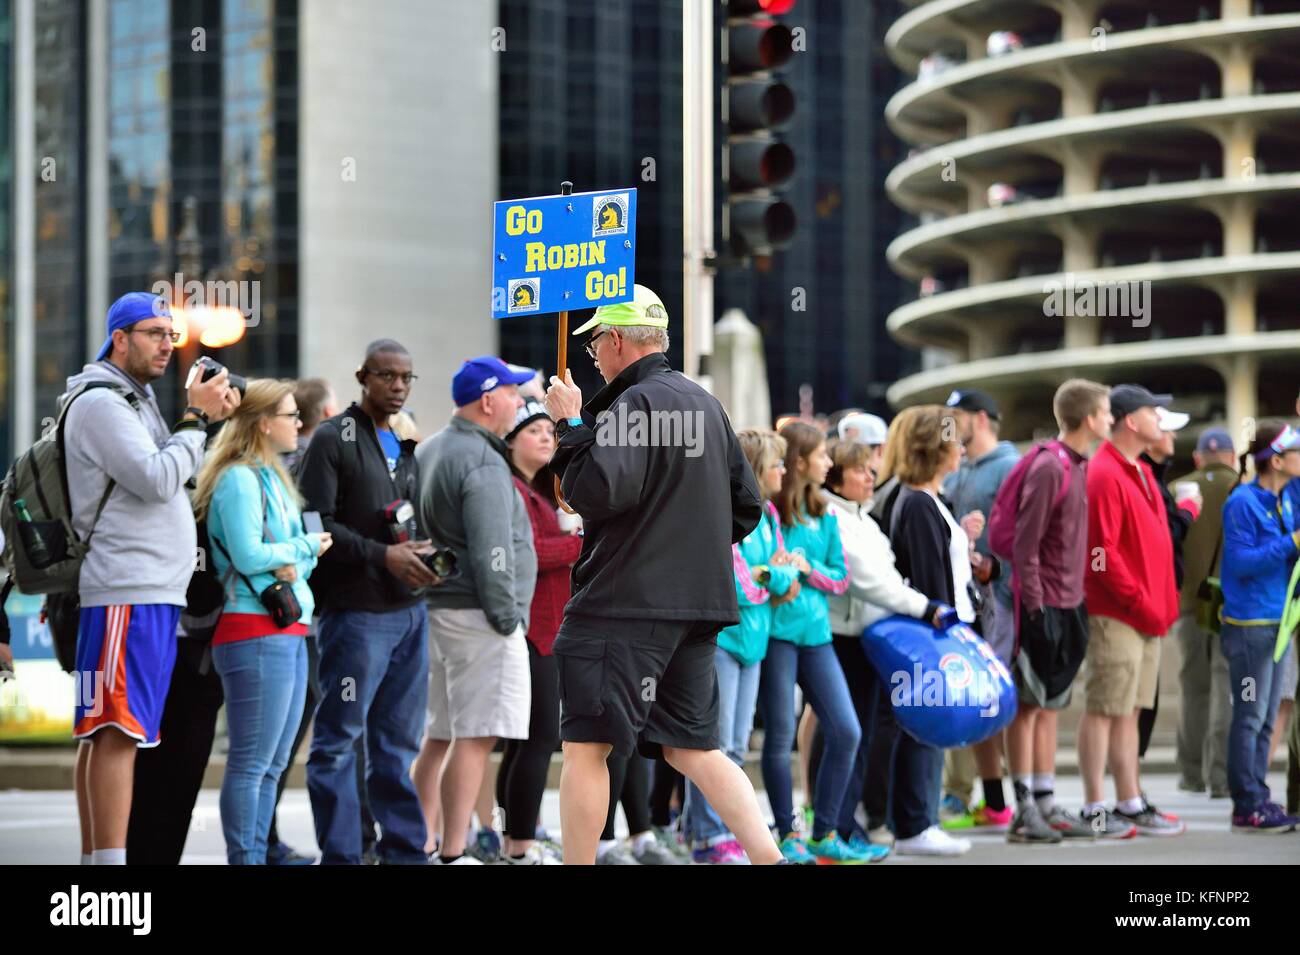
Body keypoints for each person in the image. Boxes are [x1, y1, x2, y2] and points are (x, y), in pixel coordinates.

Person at [542, 284, 783, 865]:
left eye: (596, 342)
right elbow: (746, 505)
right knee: (694, 748)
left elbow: (598, 492)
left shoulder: (633, 404)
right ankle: (772, 859)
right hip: (696, 606)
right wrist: (686, 544)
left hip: (622, 605)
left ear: (618, 339)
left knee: (585, 748)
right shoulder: (706, 403)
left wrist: (572, 426)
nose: (593, 356)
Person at [65, 292, 239, 865]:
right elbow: (157, 478)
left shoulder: (130, 400)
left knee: (105, 733)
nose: (169, 344)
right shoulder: (101, 403)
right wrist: (195, 417)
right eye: (154, 333)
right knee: (117, 734)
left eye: (171, 333)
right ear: (120, 338)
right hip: (126, 592)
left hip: (141, 592)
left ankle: (99, 866)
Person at [299, 338, 440, 865]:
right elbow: (316, 525)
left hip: (408, 613)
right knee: (337, 742)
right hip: (355, 616)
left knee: (398, 746)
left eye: (406, 377)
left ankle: (404, 851)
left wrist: (418, 554)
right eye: (386, 376)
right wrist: (383, 557)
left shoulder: (402, 443)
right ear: (363, 376)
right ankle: (343, 855)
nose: (398, 386)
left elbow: (400, 519)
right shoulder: (333, 439)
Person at [192, 380, 330, 864]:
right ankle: (245, 856)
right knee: (252, 763)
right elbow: (252, 555)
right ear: (263, 422)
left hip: (288, 625)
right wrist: (302, 550)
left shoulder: (273, 476)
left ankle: (257, 852)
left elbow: (302, 562)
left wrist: (298, 556)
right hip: (251, 627)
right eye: (291, 415)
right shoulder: (238, 478)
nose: (299, 423)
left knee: (272, 764)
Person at [413, 357, 536, 866]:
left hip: (442, 609)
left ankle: (418, 840)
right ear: (488, 401)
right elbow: (493, 551)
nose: (521, 402)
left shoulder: (433, 447)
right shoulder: (481, 460)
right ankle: (452, 850)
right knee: (475, 735)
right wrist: (507, 616)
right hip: (480, 614)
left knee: (441, 733)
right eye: (512, 392)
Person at [816, 437, 945, 856]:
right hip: (841, 639)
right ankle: (833, 826)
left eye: (871, 469)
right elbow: (870, 582)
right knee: (846, 735)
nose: (870, 475)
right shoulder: (832, 517)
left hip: (865, 639)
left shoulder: (864, 519)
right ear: (836, 478)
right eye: (858, 470)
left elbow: (889, 580)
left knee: (861, 736)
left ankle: (844, 824)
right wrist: (927, 607)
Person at [756, 422, 875, 864]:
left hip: (818, 638)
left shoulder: (826, 514)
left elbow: (840, 580)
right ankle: (787, 834)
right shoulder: (767, 512)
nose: (829, 462)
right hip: (776, 639)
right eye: (823, 455)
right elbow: (760, 570)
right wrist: (780, 572)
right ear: (800, 461)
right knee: (780, 736)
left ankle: (824, 834)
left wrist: (804, 572)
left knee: (847, 731)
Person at [682, 429, 800, 864]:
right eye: (776, 464)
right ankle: (709, 839)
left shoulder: (768, 514)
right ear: (755, 468)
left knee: (737, 744)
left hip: (755, 643)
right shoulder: (727, 511)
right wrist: (774, 576)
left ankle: (715, 831)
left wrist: (771, 575)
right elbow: (739, 586)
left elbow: (784, 579)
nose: (783, 472)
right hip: (725, 642)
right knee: (716, 747)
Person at [1005, 379, 1111, 843]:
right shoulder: (1051, 467)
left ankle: (1046, 800)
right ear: (1088, 418)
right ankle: (1023, 807)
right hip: (1042, 606)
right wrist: (1035, 609)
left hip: (1069, 604)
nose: (1110, 419)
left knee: (1048, 709)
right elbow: (1026, 545)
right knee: (1027, 708)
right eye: (1106, 412)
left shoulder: (1078, 465)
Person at [1080, 384, 1185, 838]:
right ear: (1130, 420)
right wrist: (1139, 601)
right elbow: (1099, 554)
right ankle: (1093, 808)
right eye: (1152, 411)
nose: (1160, 419)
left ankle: (1129, 800)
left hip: (1145, 615)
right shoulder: (1104, 472)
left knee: (1129, 713)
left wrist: (1158, 605)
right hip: (1118, 615)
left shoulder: (1139, 470)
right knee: (1104, 709)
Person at [872, 405, 974, 857]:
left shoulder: (922, 499)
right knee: (925, 726)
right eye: (956, 440)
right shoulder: (917, 502)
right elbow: (931, 581)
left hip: (935, 630)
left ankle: (915, 820)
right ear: (937, 448)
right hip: (932, 634)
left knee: (922, 726)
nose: (963, 448)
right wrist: (948, 632)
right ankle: (915, 822)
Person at [492, 399, 583, 864]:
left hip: (547, 624)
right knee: (538, 737)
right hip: (531, 627)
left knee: (528, 738)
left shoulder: (543, 491)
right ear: (510, 440)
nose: (547, 437)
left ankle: (516, 837)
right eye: (535, 431)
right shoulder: (510, 489)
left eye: (551, 431)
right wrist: (577, 542)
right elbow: (532, 553)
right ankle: (519, 843)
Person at [263, 376, 340, 866]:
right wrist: (301, 553)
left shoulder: (285, 464)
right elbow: (298, 544)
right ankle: (258, 846)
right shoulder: (300, 463)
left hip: (302, 614)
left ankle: (261, 843)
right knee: (270, 747)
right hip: (291, 617)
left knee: (276, 744)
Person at [938, 389, 1020, 833]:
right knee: (967, 698)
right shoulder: (957, 469)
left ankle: (1000, 797)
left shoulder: (1010, 467)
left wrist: (995, 570)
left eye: (958, 415)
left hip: (1001, 607)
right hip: (960, 605)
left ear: (982, 419)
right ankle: (974, 795)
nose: (951, 423)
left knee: (995, 703)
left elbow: (1023, 539)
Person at [1220, 421, 1300, 833]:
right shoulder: (1242, 502)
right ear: (1278, 459)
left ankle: (1259, 799)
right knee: (1249, 717)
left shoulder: (1286, 498)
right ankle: (1246, 804)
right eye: (1297, 450)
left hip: (1278, 627)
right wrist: (1292, 543)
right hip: (1250, 629)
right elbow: (1241, 563)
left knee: (1267, 719)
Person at [1169, 428, 1238, 798]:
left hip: (1187, 606)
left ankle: (1190, 774)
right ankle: (1220, 777)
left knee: (1192, 690)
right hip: (1232, 606)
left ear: (1197, 458)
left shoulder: (1177, 489)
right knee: (1226, 690)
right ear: (1231, 456)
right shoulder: (1243, 489)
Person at [1135, 406, 1202, 770]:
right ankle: (1121, 799)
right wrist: (1188, 513)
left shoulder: (1151, 479)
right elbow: (1152, 541)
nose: (1172, 437)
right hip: (1138, 608)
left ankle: (1129, 794)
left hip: (1153, 606)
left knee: (1143, 704)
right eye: (1166, 429)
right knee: (1127, 709)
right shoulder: (1139, 478)